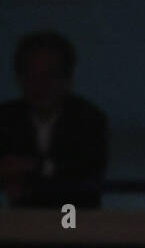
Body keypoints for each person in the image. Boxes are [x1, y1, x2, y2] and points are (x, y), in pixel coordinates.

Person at [0, 31, 108, 208]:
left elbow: (85, 169)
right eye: (31, 75)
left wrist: (31, 166)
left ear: (67, 80)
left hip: (75, 220)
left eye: (51, 74)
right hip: (23, 223)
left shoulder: (89, 119)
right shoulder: (6, 118)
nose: (40, 84)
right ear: (19, 78)